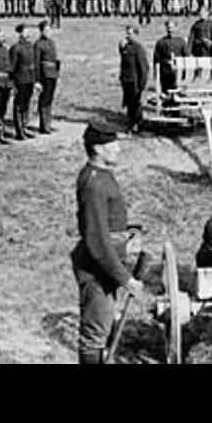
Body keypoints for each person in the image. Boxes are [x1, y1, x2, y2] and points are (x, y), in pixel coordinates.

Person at [70, 118, 142, 364]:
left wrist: (135, 246)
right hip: (96, 269)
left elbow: (118, 226)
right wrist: (125, 278)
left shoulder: (101, 176)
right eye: (114, 144)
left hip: (106, 266)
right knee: (94, 334)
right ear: (99, 149)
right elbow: (97, 239)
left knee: (105, 326)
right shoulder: (95, 184)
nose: (119, 149)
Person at [118, 25, 149, 132]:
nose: (127, 36)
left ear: (135, 34)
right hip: (126, 80)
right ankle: (131, 123)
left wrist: (142, 84)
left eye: (130, 34)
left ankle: (137, 124)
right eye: (126, 33)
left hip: (134, 81)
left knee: (135, 104)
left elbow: (143, 68)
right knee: (129, 103)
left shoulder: (138, 48)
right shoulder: (126, 46)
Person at [9, 23, 37, 140]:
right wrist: (12, 83)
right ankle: (19, 130)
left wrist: (35, 79)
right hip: (20, 78)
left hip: (30, 78)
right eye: (26, 32)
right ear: (20, 34)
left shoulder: (30, 46)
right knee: (19, 104)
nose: (28, 33)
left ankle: (25, 127)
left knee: (27, 104)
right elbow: (12, 67)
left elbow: (33, 64)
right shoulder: (16, 48)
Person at [34, 21, 61, 134]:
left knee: (49, 99)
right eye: (46, 30)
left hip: (52, 73)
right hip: (44, 75)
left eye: (49, 30)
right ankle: (44, 125)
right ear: (41, 31)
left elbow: (55, 59)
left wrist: (57, 73)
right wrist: (37, 80)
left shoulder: (51, 43)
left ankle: (48, 123)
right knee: (44, 99)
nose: (48, 32)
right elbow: (36, 63)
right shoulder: (38, 44)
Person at [153, 20, 188, 96]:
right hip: (165, 73)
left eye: (172, 28)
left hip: (179, 72)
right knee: (166, 92)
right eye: (168, 28)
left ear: (175, 28)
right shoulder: (161, 42)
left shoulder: (181, 41)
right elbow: (156, 60)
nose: (170, 30)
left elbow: (186, 57)